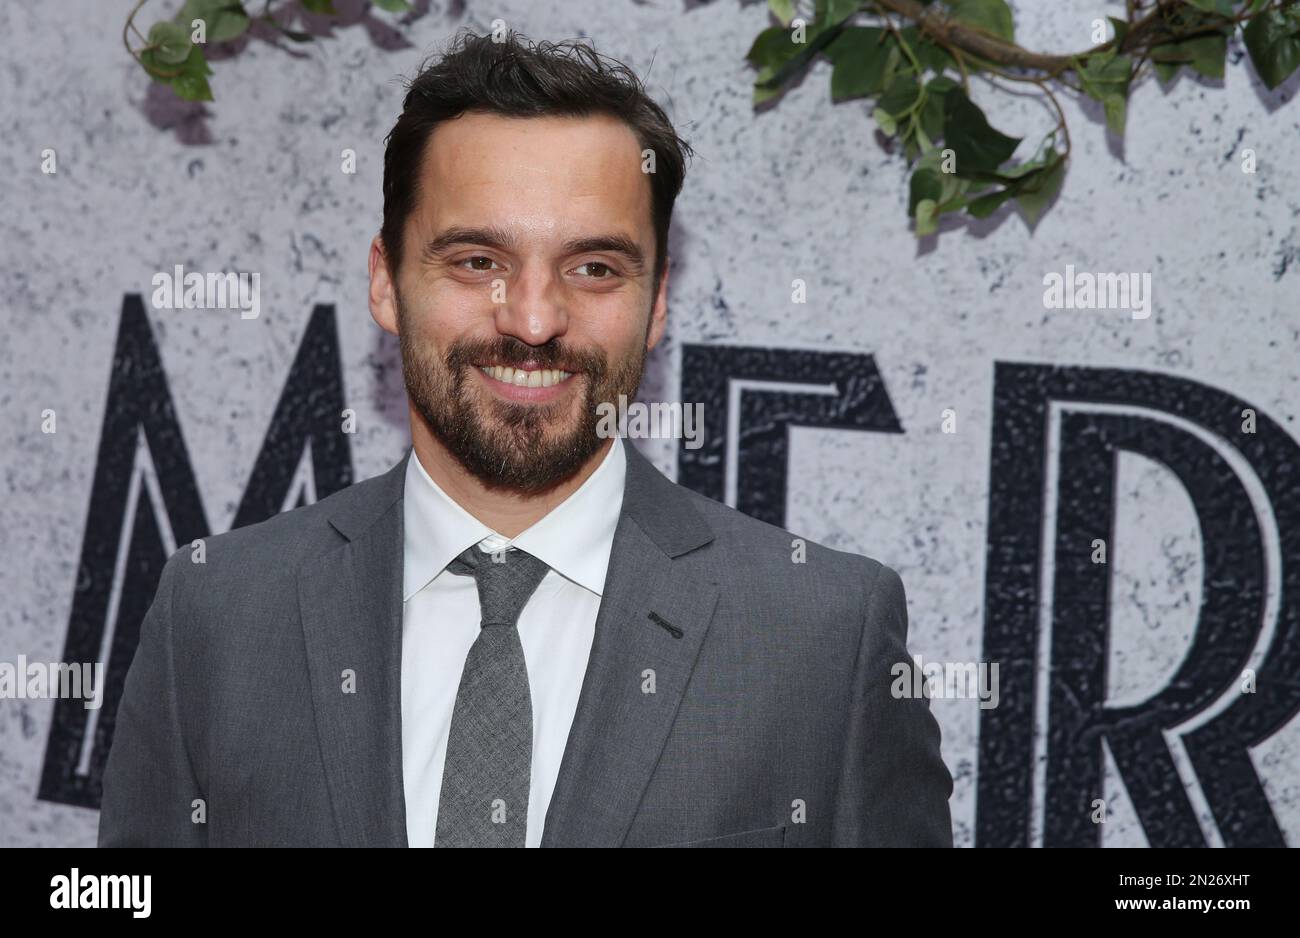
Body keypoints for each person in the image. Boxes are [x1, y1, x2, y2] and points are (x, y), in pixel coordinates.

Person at [99, 29, 953, 848]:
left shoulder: (825, 636)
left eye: (594, 269)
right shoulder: (214, 617)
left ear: (657, 306)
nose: (536, 320)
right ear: (386, 283)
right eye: (477, 261)